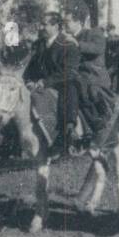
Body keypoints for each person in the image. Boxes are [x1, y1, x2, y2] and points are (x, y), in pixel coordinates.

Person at [24, 13, 84, 150]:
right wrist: (29, 80)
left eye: (45, 24)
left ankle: (69, 130)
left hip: (62, 82)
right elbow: (31, 66)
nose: (41, 27)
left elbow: (69, 71)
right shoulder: (39, 44)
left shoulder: (68, 43)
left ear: (56, 26)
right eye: (41, 24)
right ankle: (12, 137)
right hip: (40, 83)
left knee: (69, 89)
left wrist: (45, 82)